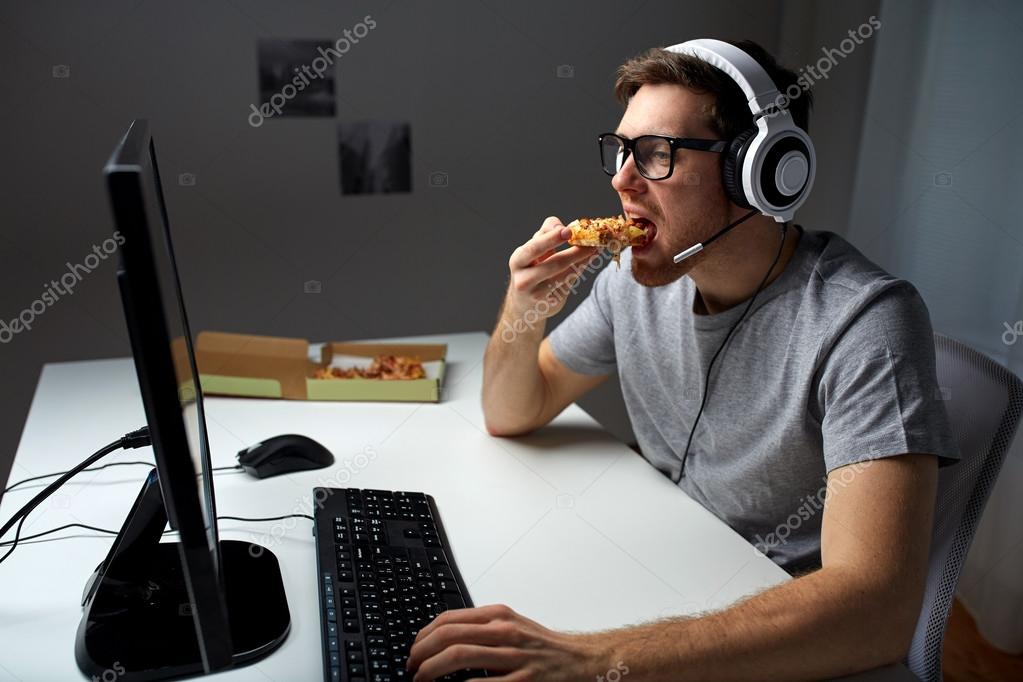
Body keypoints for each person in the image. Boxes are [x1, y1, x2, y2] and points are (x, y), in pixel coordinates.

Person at [407, 39, 958, 681]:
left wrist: (594, 661)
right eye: (620, 151)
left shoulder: (863, 322)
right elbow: (511, 411)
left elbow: (876, 613)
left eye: (656, 155)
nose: (620, 180)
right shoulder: (630, 282)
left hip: (783, 642)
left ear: (758, 173)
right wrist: (525, 304)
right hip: (668, 578)